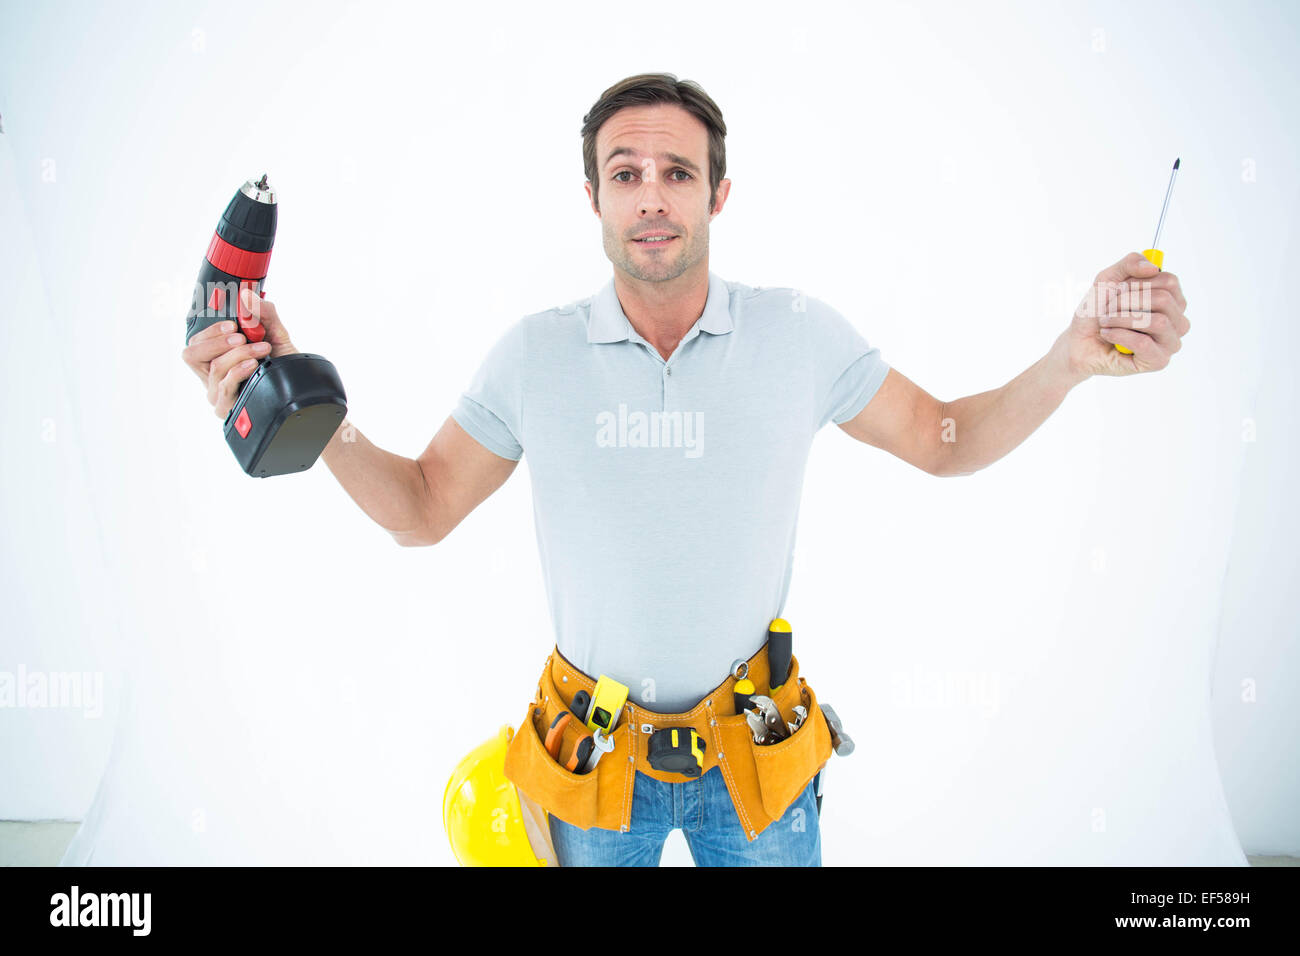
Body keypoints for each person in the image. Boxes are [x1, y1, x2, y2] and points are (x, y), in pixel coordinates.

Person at [181, 73, 1190, 866]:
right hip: (593, 761)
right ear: (592, 196)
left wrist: (1069, 357)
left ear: (718, 190)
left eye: (676, 172)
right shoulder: (534, 354)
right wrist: (310, 415)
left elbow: (941, 440)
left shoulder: (797, 334)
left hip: (755, 752)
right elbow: (422, 508)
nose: (651, 197)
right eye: (625, 173)